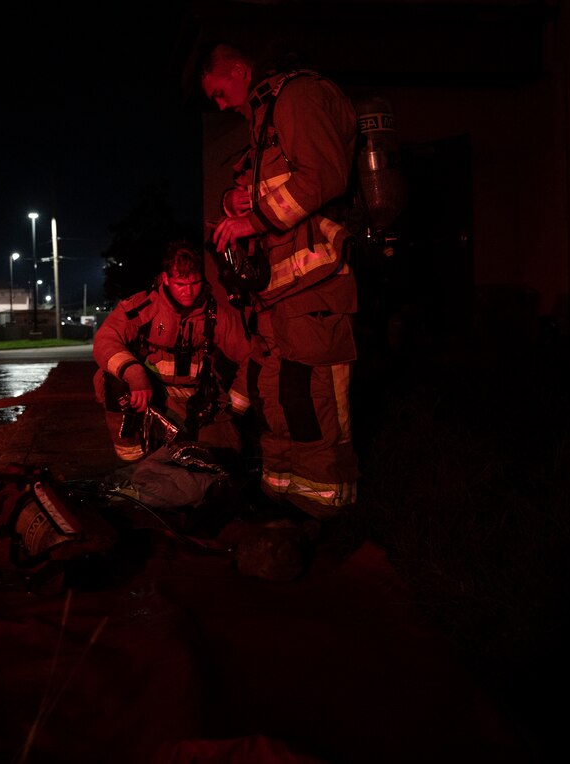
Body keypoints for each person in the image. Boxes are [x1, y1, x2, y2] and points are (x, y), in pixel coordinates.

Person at [198, 40, 361, 530]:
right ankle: (283, 500)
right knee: (277, 398)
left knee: (313, 401)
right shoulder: (264, 119)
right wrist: (238, 205)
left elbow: (324, 177)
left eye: (220, 91)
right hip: (282, 292)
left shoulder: (299, 97)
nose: (219, 104)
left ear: (241, 70)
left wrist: (255, 221)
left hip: (317, 283)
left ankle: (324, 512)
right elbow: (274, 186)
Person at [92, 241, 251, 463]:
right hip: (151, 397)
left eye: (194, 283)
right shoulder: (141, 307)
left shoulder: (215, 314)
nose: (189, 291)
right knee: (112, 381)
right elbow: (105, 340)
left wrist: (234, 406)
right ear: (165, 279)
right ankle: (135, 461)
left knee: (226, 455)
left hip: (197, 401)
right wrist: (135, 374)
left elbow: (251, 355)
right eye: (180, 284)